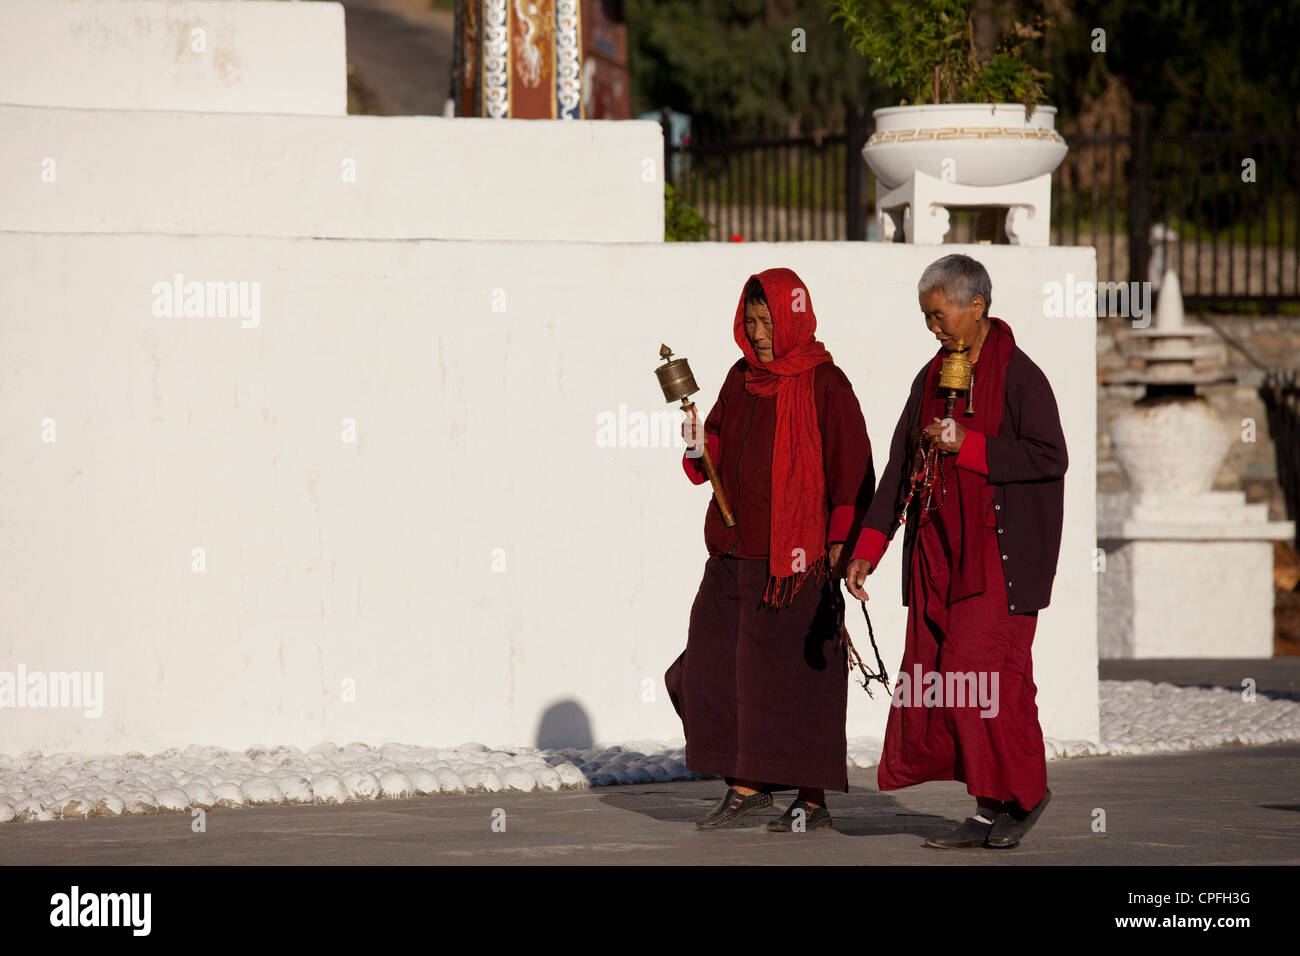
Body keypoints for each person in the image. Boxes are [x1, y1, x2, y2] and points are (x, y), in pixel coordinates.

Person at [844, 253, 1066, 850]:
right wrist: (869, 547)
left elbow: (1050, 457)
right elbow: (899, 465)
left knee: (989, 675)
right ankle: (989, 803)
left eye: (939, 315)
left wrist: (972, 445)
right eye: (926, 318)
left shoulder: (1021, 376)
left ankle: (1024, 793)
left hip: (998, 558)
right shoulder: (930, 377)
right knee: (950, 680)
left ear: (977, 306)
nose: (933, 328)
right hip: (938, 554)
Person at [664, 267, 873, 832]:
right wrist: (696, 442)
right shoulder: (739, 379)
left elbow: (853, 474)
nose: (757, 333)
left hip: (797, 564)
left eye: (767, 320)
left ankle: (809, 797)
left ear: (793, 317)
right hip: (733, 556)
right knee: (708, 673)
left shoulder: (828, 385)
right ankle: (749, 781)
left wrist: (838, 546)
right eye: (750, 321)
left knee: (795, 683)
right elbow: (712, 452)